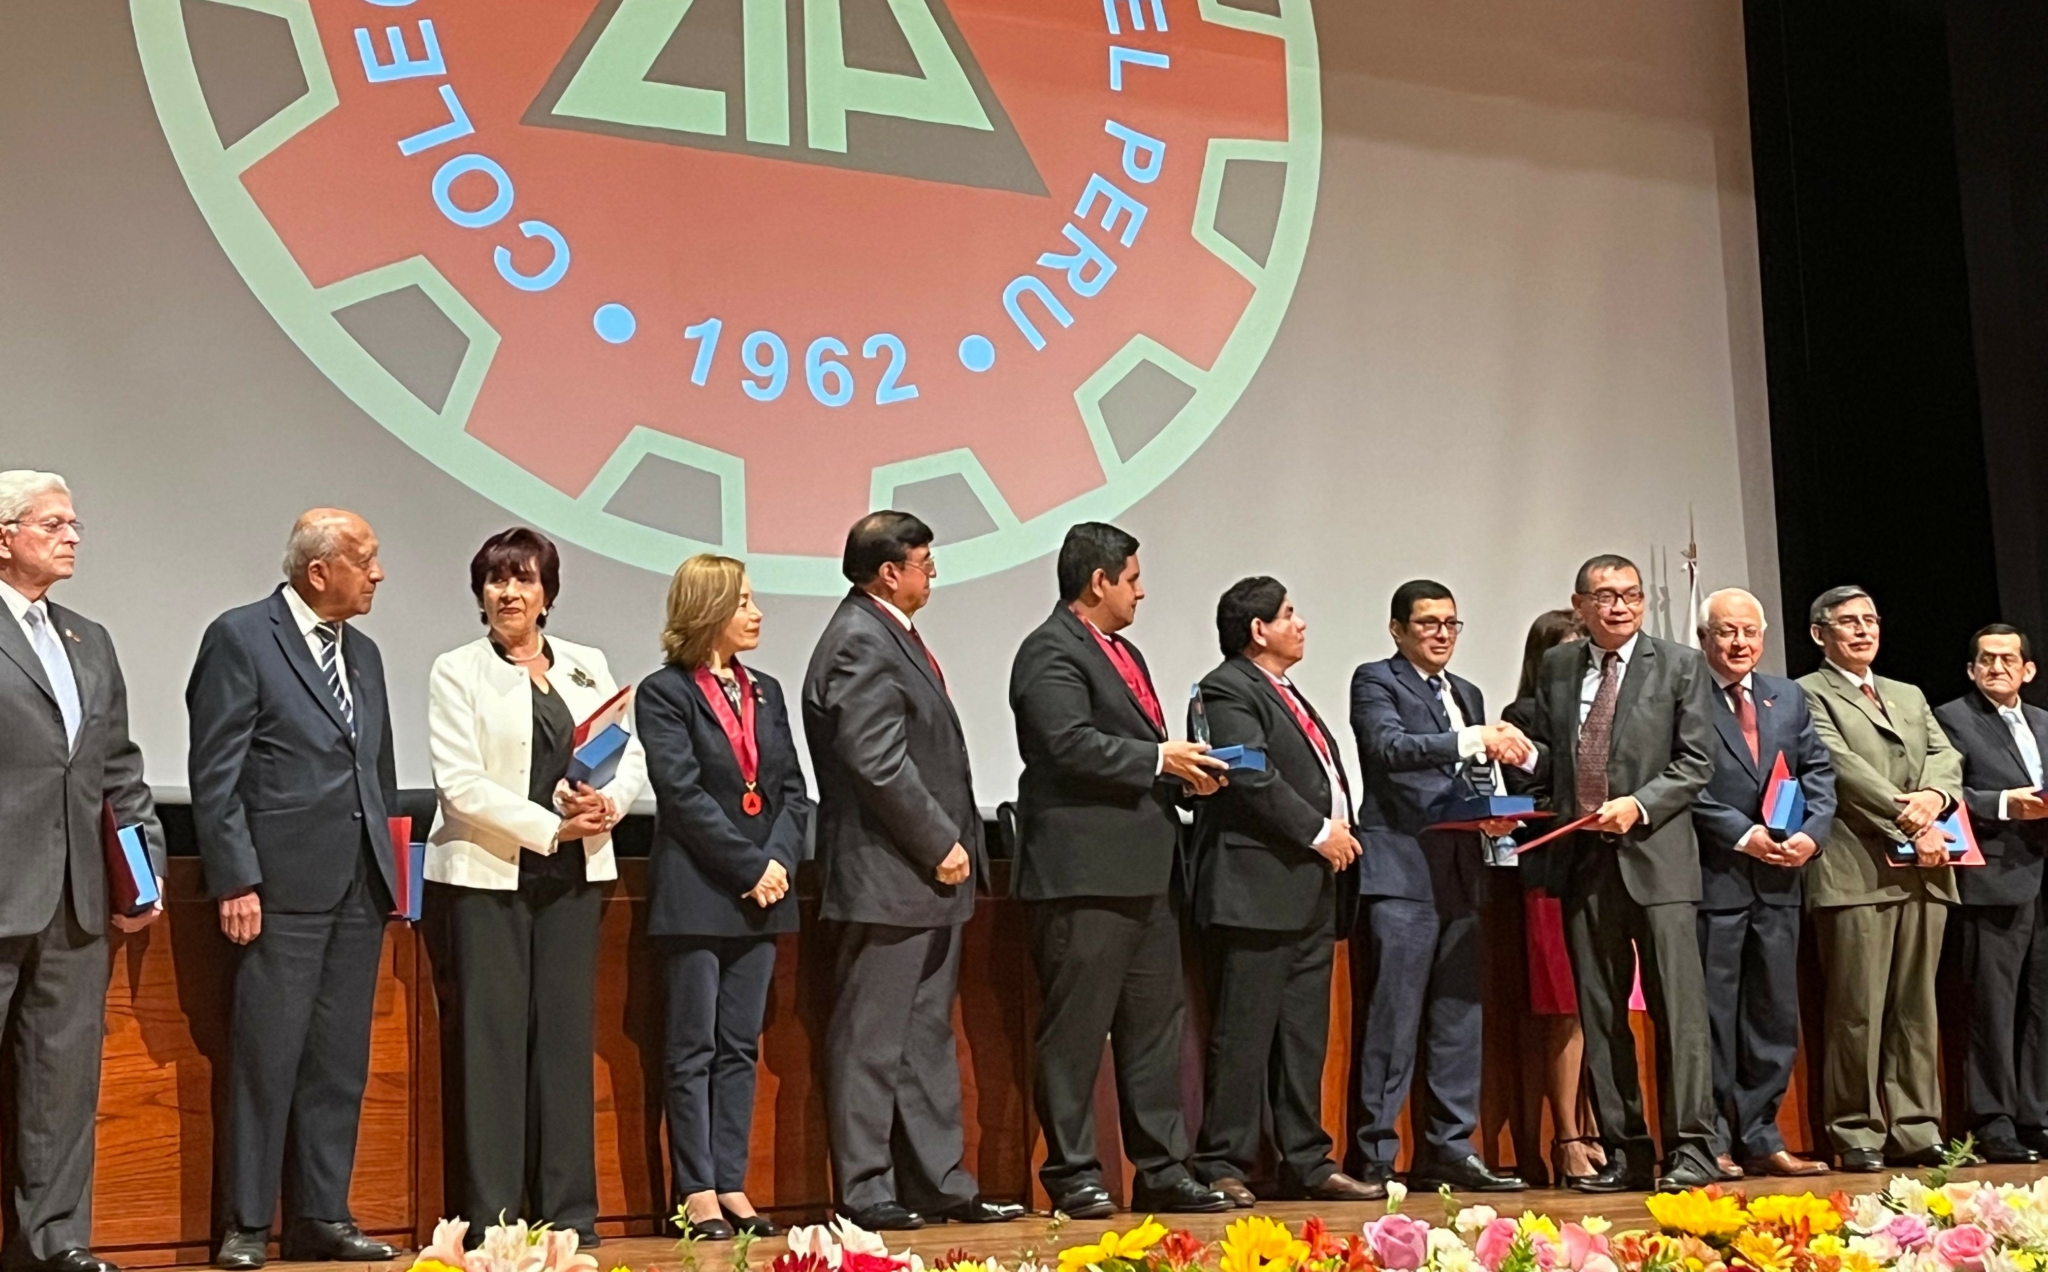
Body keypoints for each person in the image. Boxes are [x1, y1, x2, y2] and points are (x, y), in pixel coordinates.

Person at [188, 509, 402, 1270]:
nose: (378, 575)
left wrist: (392, 876)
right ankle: (247, 1222)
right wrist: (236, 877)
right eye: (366, 560)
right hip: (277, 888)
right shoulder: (242, 637)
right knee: (265, 1058)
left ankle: (323, 1215)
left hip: (357, 887)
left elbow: (375, 774)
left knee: (339, 1062)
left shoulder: (365, 654)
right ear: (320, 570)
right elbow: (215, 773)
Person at [424, 528, 647, 1245]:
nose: (508, 593)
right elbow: (460, 786)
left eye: (522, 580)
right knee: (493, 1046)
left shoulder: (586, 664)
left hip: (575, 880)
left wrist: (605, 808)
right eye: (495, 581)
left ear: (547, 592)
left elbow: (628, 750)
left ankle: (570, 1214)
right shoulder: (456, 670)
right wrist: (550, 829)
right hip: (490, 877)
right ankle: (494, 1219)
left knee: (562, 1044)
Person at [801, 512, 1020, 1231]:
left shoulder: (889, 633)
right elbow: (876, 761)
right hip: (890, 871)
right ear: (888, 571)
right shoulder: (860, 641)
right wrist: (937, 840)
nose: (933, 574)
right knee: (872, 1036)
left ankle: (939, 1181)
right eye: (925, 562)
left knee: (924, 1035)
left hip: (923, 880)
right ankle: (865, 1189)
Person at [1008, 523, 1231, 1218]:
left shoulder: (1122, 651)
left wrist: (1180, 776)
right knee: (1076, 1032)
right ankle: (1073, 1173)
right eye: (1131, 578)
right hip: (1084, 875)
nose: (1140, 591)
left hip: (1146, 873)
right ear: (1098, 581)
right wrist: (1158, 760)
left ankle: (1162, 1168)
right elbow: (1066, 745)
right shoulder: (1049, 650)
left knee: (1154, 1028)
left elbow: (1134, 750)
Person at [0, 471, 163, 1272]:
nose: (72, 535)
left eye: (75, 524)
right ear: (4, 536)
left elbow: (118, 771)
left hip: (75, 904)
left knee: (61, 1086)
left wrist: (144, 872)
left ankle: (53, 1242)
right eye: (53, 522)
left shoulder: (86, 638)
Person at [1520, 554, 1718, 1193]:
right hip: (1585, 862)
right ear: (1579, 605)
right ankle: (1627, 1149)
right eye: (1604, 596)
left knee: (1678, 1013)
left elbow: (1695, 764)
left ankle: (1692, 1149)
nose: (1620, 606)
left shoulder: (1681, 664)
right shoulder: (1557, 667)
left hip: (1658, 861)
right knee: (1601, 1015)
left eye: (1630, 595)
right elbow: (1555, 756)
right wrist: (1520, 773)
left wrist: (1639, 805)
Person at [636, 555, 812, 1240]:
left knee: (740, 1044)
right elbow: (680, 795)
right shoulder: (665, 693)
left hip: (762, 893)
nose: (756, 611)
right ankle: (696, 1189)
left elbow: (792, 789)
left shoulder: (764, 689)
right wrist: (748, 863)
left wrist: (776, 859)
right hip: (698, 890)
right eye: (742, 601)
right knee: (692, 1046)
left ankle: (732, 1182)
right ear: (708, 610)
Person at [1189, 578, 1378, 1203]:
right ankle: (1224, 1162)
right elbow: (1247, 770)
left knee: (1304, 1036)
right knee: (1244, 1034)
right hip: (1256, 886)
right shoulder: (1226, 687)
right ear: (1257, 630)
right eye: (1289, 614)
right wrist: (1318, 829)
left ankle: (1307, 1160)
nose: (1301, 624)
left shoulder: (1285, 690)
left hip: (1308, 891)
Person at [1346, 580, 1531, 1192]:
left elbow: (1467, 779)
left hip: (1460, 869)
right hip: (1401, 868)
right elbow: (1389, 749)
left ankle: (1449, 1149)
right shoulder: (1376, 680)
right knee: (1393, 1016)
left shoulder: (1468, 692)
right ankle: (1373, 1155)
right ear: (1398, 629)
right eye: (1428, 623)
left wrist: (1493, 810)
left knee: (1459, 1014)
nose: (1442, 634)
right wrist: (1477, 737)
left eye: (1451, 623)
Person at [1797, 585, 1962, 1171]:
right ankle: (1856, 1130)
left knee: (1917, 1007)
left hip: (1926, 867)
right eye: (1848, 622)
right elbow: (1841, 767)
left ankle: (1917, 1128)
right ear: (1821, 634)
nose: (1863, 630)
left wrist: (1936, 797)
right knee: (1856, 1008)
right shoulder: (1808, 693)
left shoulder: (1908, 693)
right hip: (1855, 868)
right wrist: (1908, 814)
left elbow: (1947, 756)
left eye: (1870, 619)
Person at [1689, 589, 1835, 1179]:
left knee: (1773, 1015)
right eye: (1726, 632)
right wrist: (1743, 834)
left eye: (1750, 631)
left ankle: (1762, 1133)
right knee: (1715, 1016)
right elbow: (1680, 780)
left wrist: (1812, 833)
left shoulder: (1787, 694)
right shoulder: (1685, 694)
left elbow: (1818, 770)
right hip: (1715, 878)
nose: (1739, 642)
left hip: (1781, 880)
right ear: (1705, 639)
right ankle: (1714, 1138)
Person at [1933, 623, 2048, 1164]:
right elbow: (1947, 792)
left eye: (2007, 659)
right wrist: (2005, 803)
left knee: (2041, 1006)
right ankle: (1994, 1120)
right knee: (1992, 1006)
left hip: (2043, 878)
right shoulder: (1953, 720)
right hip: (1994, 879)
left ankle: (2037, 1115)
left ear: (2028, 670)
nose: (1996, 667)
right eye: (1986, 660)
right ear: (1972, 670)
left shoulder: (2045, 723)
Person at [1501, 609, 1605, 1187]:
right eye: (1569, 651)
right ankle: (1566, 1136)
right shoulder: (1523, 717)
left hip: (1605, 871)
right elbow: (1530, 791)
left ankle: (1596, 1130)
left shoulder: (1608, 710)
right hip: (1551, 870)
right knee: (1564, 1007)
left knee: (1602, 1007)